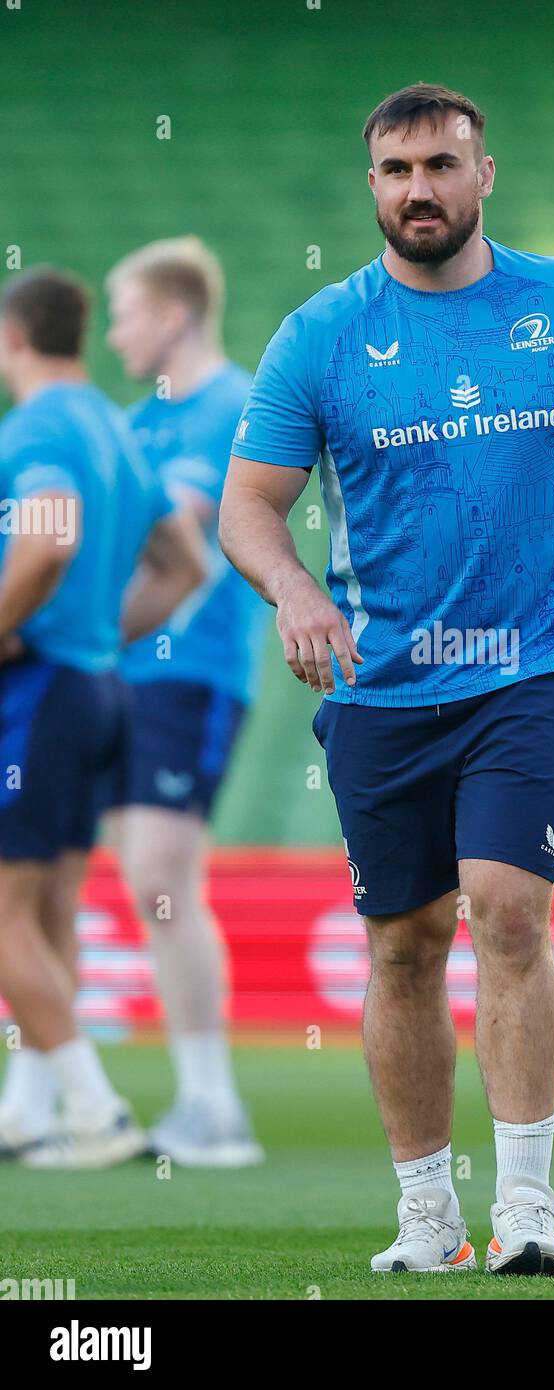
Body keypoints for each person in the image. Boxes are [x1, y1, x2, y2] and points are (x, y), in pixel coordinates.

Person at [219, 83, 554, 1274]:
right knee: (400, 947)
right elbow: (248, 508)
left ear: (487, 175)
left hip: (531, 668)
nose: (417, 189)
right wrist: (296, 589)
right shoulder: (321, 333)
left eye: (440, 165)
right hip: (378, 688)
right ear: (371, 186)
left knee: (507, 912)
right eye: (394, 171)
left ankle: (526, 1208)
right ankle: (428, 1217)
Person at [0, 266, 205, 1166]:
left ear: (12, 338)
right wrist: (96, 636)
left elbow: (48, 540)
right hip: (99, 689)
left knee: (7, 913)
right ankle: (27, 1114)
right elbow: (185, 567)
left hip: (40, 690)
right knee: (48, 914)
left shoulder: (39, 424)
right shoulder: (116, 430)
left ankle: (94, 1109)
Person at [105, 237, 268, 1166]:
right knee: (98, 879)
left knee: (164, 882)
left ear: (172, 314)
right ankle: (44, 1090)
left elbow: (184, 543)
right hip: (116, 675)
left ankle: (213, 1105)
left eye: (127, 311)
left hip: (188, 670)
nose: (117, 331)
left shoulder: (234, 408)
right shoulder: (135, 420)